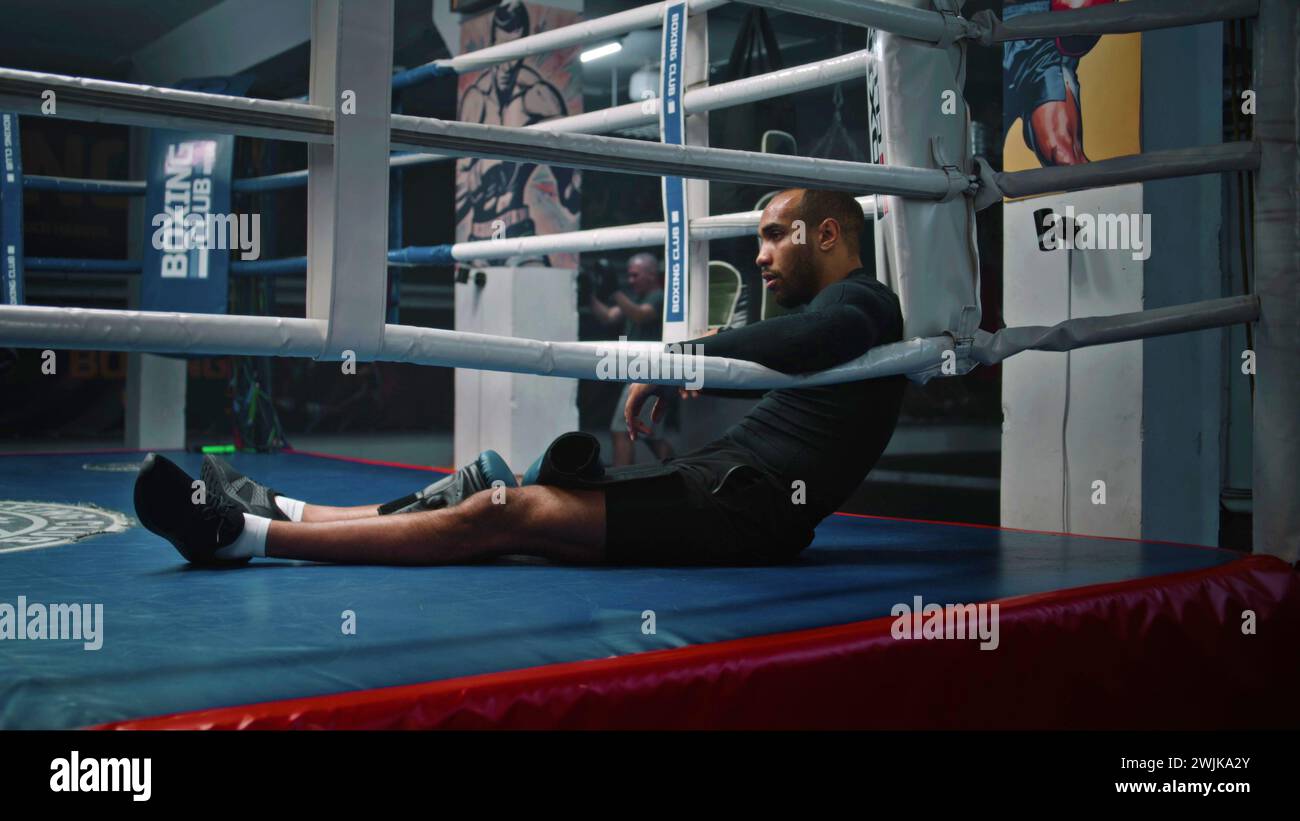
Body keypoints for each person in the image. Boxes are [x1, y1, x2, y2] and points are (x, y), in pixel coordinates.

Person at [134, 189, 906, 567]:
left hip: (746, 516)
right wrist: (694, 354)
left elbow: (818, 337)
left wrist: (676, 361)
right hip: (718, 485)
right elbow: (795, 345)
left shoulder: (862, 302)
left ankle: (245, 537)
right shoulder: (840, 309)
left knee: (506, 511)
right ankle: (292, 506)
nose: (762, 255)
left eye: (773, 236)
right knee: (501, 477)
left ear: (828, 233)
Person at [588, 252, 676, 466]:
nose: (631, 280)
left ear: (651, 274)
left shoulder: (659, 297)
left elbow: (640, 315)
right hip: (641, 375)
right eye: (628, 276)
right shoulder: (636, 298)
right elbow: (609, 316)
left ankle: (620, 484)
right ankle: (681, 473)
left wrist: (615, 292)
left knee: (621, 431)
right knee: (651, 437)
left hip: (651, 374)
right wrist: (587, 295)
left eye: (635, 275)